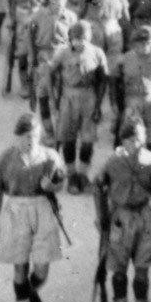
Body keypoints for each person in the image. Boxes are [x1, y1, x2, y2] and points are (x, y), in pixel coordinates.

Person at [0, 113, 65, 302]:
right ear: (16, 137)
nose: (29, 141)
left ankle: (30, 292)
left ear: (39, 135)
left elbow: (61, 182)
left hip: (43, 211)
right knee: (20, 267)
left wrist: (51, 185)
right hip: (16, 213)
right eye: (24, 137)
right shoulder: (6, 159)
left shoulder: (49, 157)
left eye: (33, 136)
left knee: (42, 268)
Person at [93, 118, 151, 302]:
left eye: (140, 139)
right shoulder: (113, 162)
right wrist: (102, 217)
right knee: (120, 269)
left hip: (144, 216)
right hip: (120, 218)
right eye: (131, 140)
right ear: (123, 141)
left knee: (143, 269)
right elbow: (97, 187)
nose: (137, 144)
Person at [50, 20, 108, 194]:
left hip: (89, 97)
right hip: (68, 97)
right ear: (70, 39)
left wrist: (98, 105)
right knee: (68, 137)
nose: (80, 42)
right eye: (76, 38)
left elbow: (103, 79)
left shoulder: (97, 53)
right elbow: (51, 74)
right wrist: (55, 99)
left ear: (89, 38)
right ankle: (72, 176)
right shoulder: (62, 54)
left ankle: (83, 174)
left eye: (84, 38)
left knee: (88, 139)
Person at [28, 0, 77, 145]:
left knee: (65, 94)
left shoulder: (70, 17)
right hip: (44, 56)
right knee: (43, 92)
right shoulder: (39, 15)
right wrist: (33, 59)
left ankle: (64, 129)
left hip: (63, 57)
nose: (59, 3)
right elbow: (31, 36)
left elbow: (74, 41)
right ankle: (49, 131)